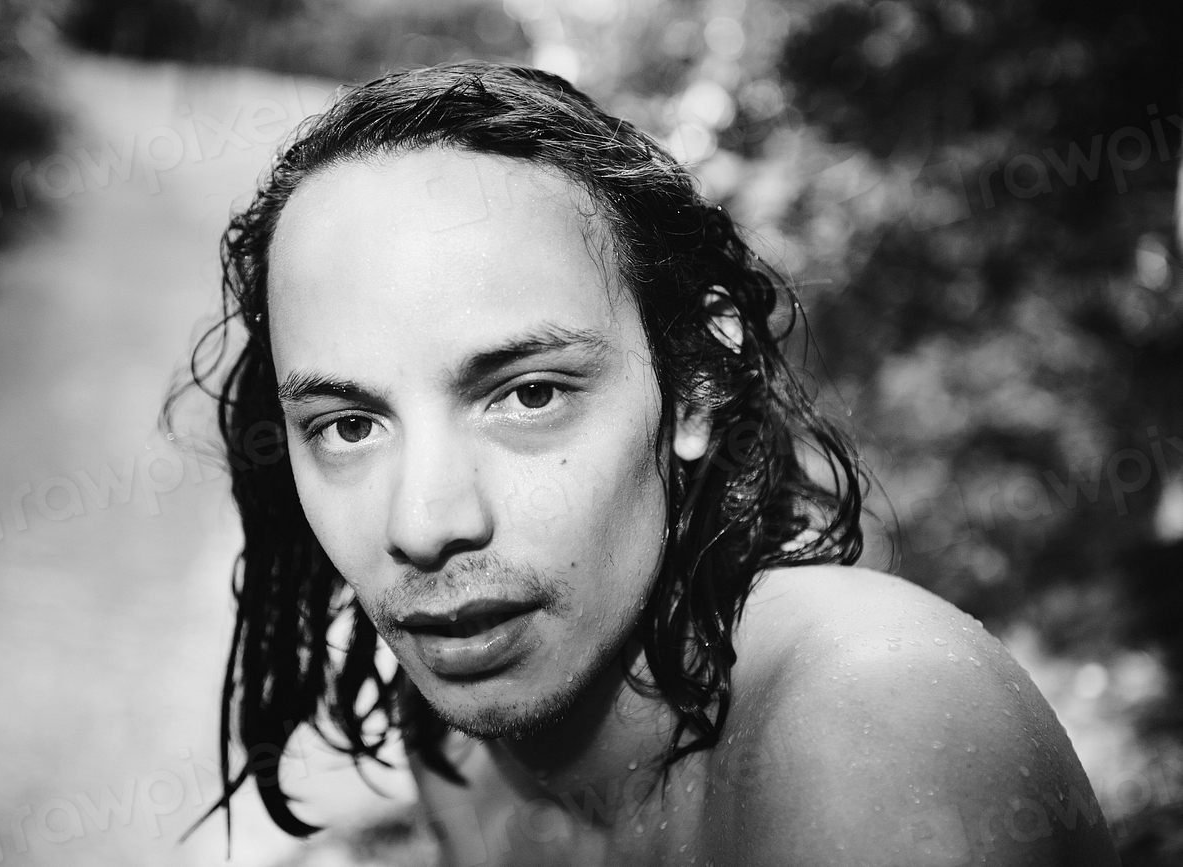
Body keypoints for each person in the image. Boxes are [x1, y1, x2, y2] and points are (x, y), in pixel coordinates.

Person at [175, 61, 1121, 865]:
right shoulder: (460, 749)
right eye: (348, 425)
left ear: (699, 381)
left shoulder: (884, 713)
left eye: (530, 394)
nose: (423, 522)